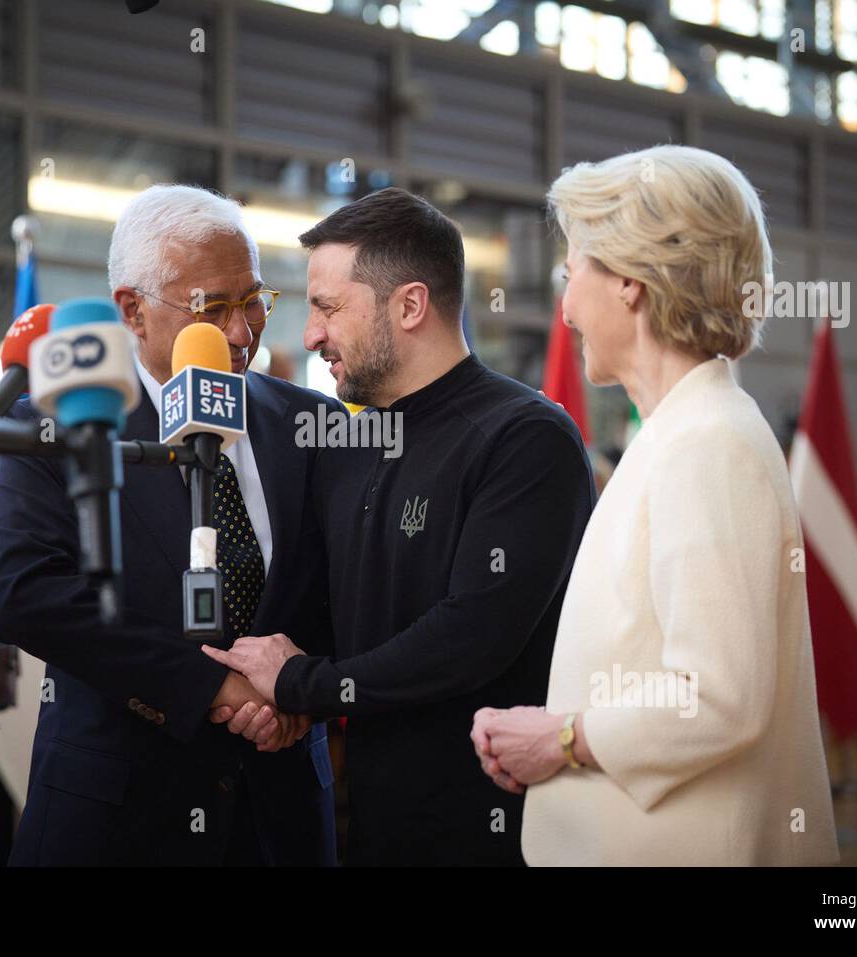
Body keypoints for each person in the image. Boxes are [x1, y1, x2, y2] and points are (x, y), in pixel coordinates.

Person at [203, 188, 595, 865]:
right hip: (377, 832)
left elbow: (471, 635)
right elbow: (330, 619)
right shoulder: (346, 448)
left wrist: (301, 687)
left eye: (326, 307)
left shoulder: (525, 438)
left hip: (503, 835)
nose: (308, 335)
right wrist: (269, 701)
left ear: (409, 305)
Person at [472, 145, 839, 866]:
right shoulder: (682, 431)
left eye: (570, 273)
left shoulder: (708, 444)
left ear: (631, 281)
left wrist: (562, 738)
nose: (566, 307)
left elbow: (719, 696)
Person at [0, 185, 338, 865]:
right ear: (132, 310)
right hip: (116, 819)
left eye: (255, 300)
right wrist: (207, 686)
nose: (242, 333)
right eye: (214, 307)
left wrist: (300, 686)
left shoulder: (308, 423)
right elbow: (25, 593)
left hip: (280, 818)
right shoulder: (54, 425)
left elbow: (350, 584)